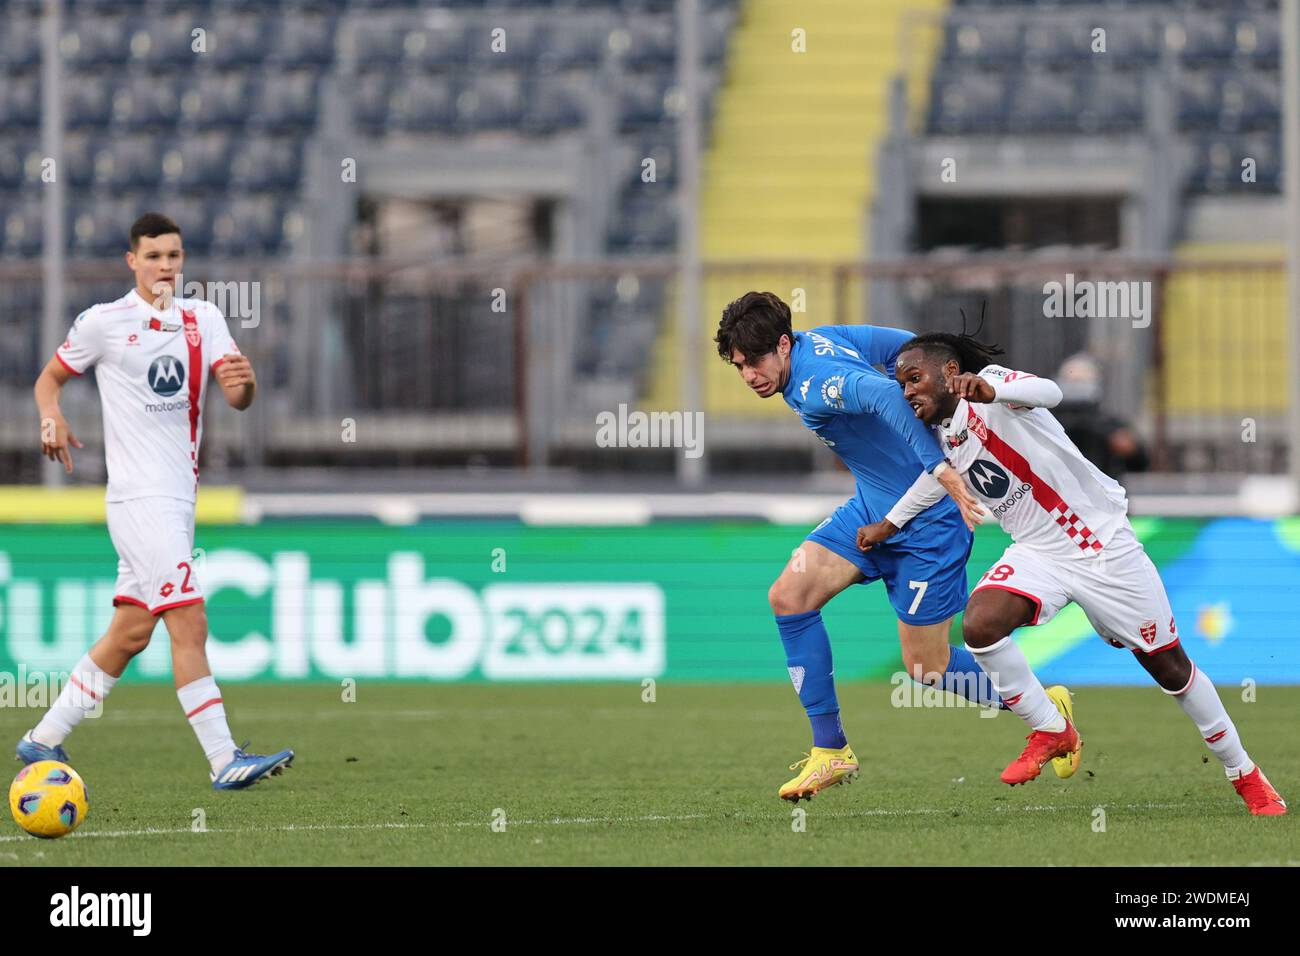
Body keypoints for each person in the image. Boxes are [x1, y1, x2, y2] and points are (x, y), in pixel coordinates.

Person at [856, 328, 1285, 815]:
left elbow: (1051, 392)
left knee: (1171, 669)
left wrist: (997, 390)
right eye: (901, 383)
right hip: (1039, 551)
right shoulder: (940, 438)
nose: (908, 390)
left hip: (1102, 546)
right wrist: (889, 525)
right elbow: (936, 481)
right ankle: (1051, 728)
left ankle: (1244, 772)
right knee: (980, 625)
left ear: (950, 371)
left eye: (914, 378)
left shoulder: (995, 386)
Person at [716, 291, 1046, 802]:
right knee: (789, 597)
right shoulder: (820, 339)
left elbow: (886, 394)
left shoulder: (817, 382)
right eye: (738, 366)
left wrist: (937, 462)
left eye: (755, 361)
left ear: (783, 344)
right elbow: (908, 350)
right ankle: (831, 752)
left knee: (924, 668)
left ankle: (1043, 708)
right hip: (872, 510)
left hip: (929, 520)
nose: (749, 375)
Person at [19, 213, 294, 790]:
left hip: (178, 498)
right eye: (153, 256)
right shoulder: (104, 323)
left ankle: (42, 737)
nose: (165, 266)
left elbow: (237, 395)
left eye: (174, 256)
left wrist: (246, 384)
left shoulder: (204, 317)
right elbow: (49, 378)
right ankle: (223, 759)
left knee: (130, 633)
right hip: (140, 498)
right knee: (189, 622)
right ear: (132, 261)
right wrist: (51, 416)